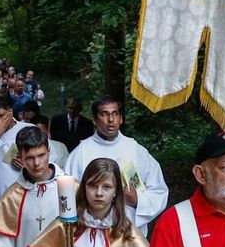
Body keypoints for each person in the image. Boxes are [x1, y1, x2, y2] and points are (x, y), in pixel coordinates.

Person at [63, 97, 169, 232]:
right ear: (94, 119)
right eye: (104, 114)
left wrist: (137, 200)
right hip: (92, 231)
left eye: (115, 114)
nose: (111, 119)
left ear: (121, 119)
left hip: (130, 233)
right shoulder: (80, 153)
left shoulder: (136, 150)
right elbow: (68, 196)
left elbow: (159, 190)